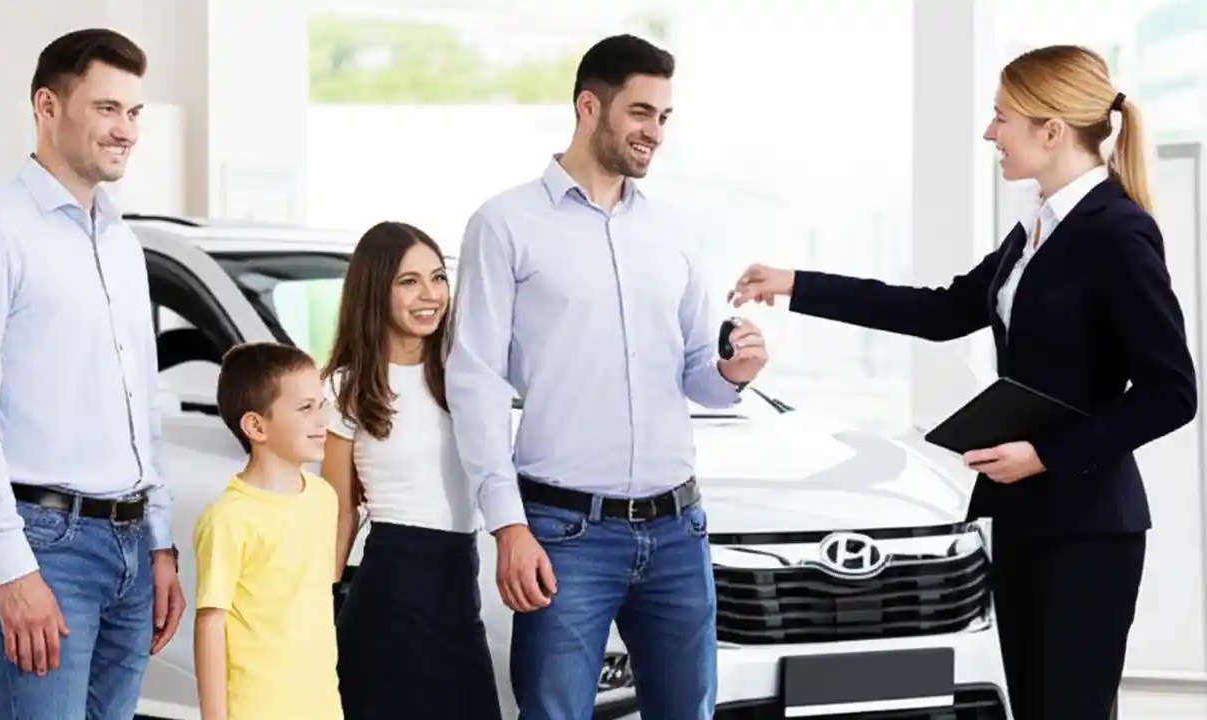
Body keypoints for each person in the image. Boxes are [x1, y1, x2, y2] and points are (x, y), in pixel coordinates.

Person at [729, 44, 1197, 720]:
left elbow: (1172, 392)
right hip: (1021, 514)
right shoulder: (1039, 229)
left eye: (1001, 117)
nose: (989, 134)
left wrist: (1046, 455)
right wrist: (797, 286)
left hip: (1088, 528)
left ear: (1052, 130)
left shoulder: (1116, 231)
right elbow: (941, 310)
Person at [446, 34, 769, 720]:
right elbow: (472, 381)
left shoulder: (675, 231)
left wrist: (732, 373)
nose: (654, 132)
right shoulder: (505, 224)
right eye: (641, 112)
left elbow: (693, 373)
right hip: (564, 533)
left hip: (680, 529)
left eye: (664, 117)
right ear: (589, 107)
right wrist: (506, 525)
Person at [0, 28, 184, 719]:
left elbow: (143, 409)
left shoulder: (124, 244)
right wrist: (13, 570)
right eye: (107, 108)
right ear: (47, 105)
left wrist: (160, 546)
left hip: (131, 547)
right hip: (45, 547)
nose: (126, 130)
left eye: (134, 113)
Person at [321, 221, 502, 720]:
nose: (430, 295)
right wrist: (315, 608)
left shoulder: (465, 373)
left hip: (460, 584)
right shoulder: (346, 387)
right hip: (391, 591)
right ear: (376, 289)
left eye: (438, 277)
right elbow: (339, 512)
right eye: (409, 281)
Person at [192, 342, 342, 720]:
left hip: (322, 706)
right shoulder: (229, 517)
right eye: (305, 408)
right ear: (256, 426)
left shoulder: (323, 498)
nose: (321, 420)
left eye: (321, 405)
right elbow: (210, 623)